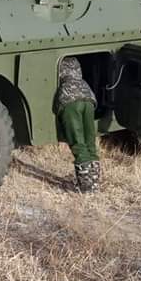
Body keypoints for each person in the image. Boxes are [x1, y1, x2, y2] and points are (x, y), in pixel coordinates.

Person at [55, 56, 102, 193]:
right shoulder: (81, 76)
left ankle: (85, 186)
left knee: (78, 144)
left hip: (70, 101)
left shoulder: (62, 63)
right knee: (90, 143)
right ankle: (94, 183)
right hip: (88, 99)